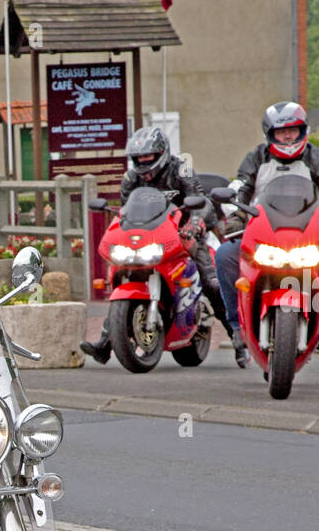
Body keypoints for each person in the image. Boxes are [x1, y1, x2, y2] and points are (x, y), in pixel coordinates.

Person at [214, 101, 319, 389]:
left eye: (294, 132)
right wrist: (235, 217)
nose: (289, 138)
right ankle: (236, 326)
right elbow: (239, 188)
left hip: (305, 239)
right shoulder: (256, 159)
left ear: (303, 131)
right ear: (270, 135)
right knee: (224, 254)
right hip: (264, 237)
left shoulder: (316, 158)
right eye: (282, 133)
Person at [80, 126, 248, 367]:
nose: (143, 163)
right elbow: (126, 213)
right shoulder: (130, 179)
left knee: (211, 281)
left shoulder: (181, 170)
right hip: (151, 237)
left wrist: (196, 223)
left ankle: (238, 339)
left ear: (162, 153)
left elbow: (201, 200)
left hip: (186, 232)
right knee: (121, 274)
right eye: (139, 159)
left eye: (148, 157)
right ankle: (107, 342)